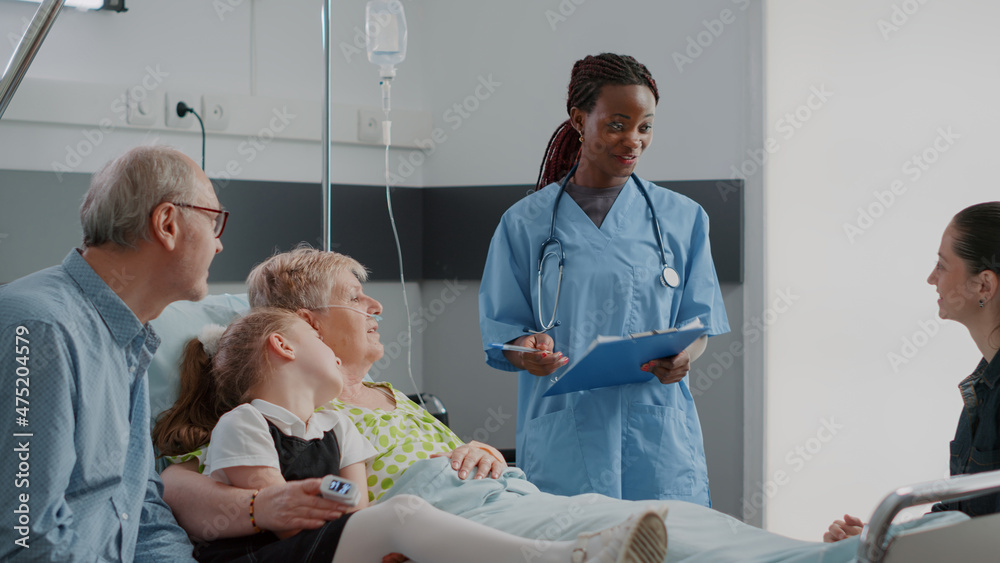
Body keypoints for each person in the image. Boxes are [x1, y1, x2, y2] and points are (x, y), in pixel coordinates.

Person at [165, 307, 669, 563]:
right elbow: (284, 514)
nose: (333, 350)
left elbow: (355, 505)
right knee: (405, 512)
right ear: (283, 346)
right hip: (275, 554)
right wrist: (357, 516)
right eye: (317, 337)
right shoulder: (246, 423)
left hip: (330, 540)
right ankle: (564, 558)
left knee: (398, 516)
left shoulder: (338, 424)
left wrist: (358, 519)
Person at [478, 53, 730, 503]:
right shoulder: (525, 224)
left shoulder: (684, 219)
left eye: (645, 126)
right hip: (565, 430)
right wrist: (526, 354)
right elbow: (505, 333)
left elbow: (698, 324)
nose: (633, 140)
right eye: (617, 124)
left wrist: (684, 356)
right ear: (579, 119)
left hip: (657, 435)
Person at [0, 145, 224, 561]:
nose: (218, 244)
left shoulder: (128, 336)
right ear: (167, 223)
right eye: (213, 222)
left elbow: (139, 506)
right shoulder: (41, 331)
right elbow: (25, 538)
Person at [824, 202, 1000, 542]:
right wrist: (882, 540)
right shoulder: (982, 388)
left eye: (942, 265)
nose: (931, 278)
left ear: (984, 286)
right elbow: (959, 515)